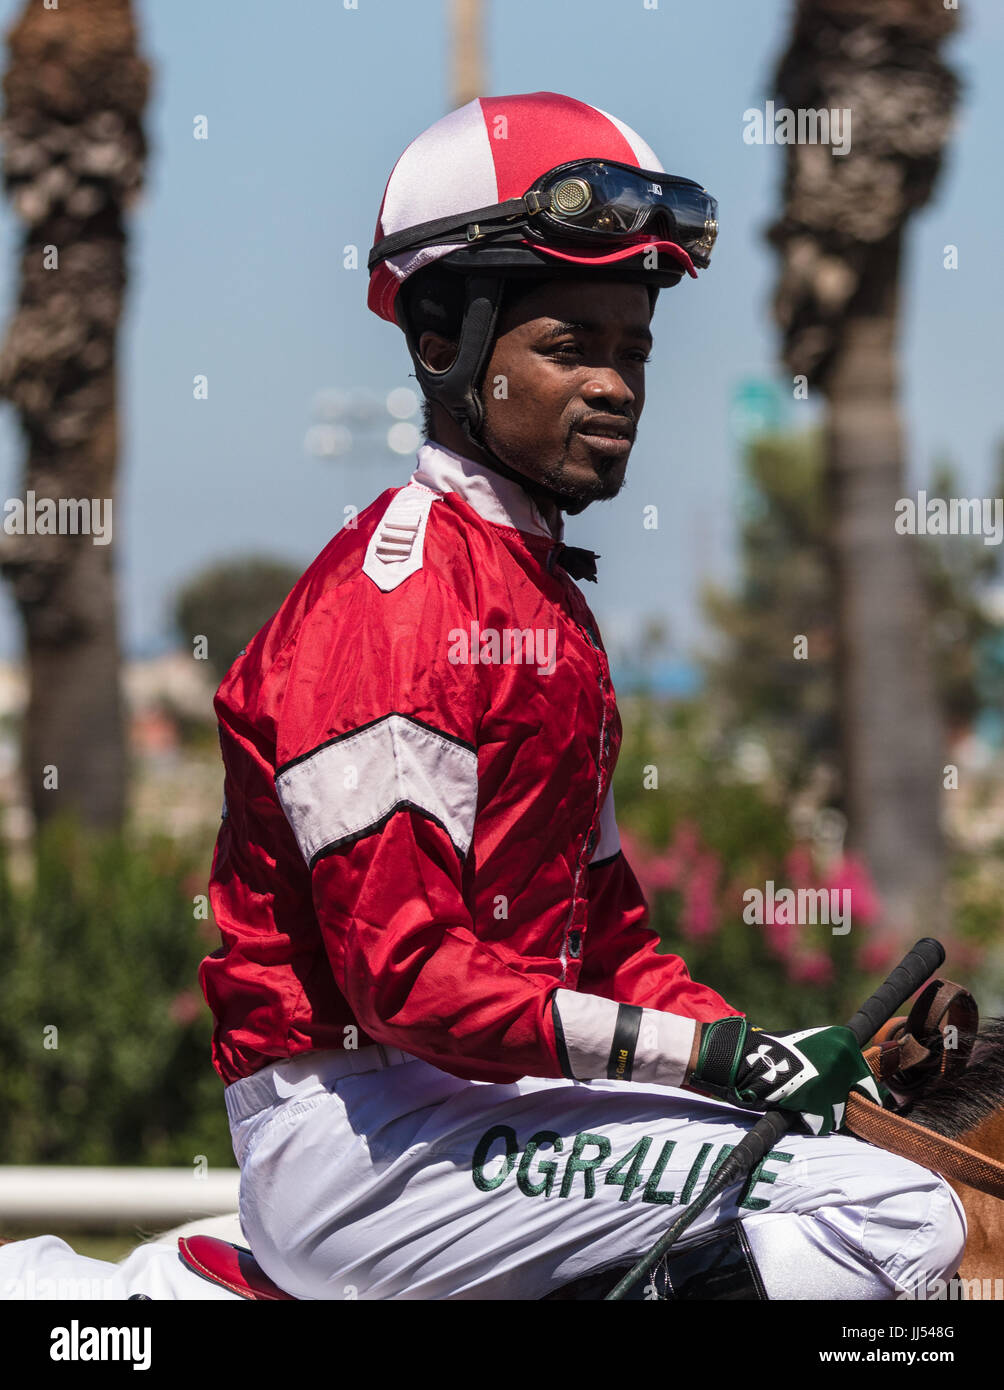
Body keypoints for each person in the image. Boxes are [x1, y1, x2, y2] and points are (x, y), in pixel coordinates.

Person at [198, 91, 966, 1301]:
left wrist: (768, 1053)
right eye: (570, 347)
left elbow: (606, 944)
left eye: (634, 348)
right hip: (361, 1139)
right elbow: (409, 982)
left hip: (486, 1111)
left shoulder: (548, 611)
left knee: (850, 1147)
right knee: (891, 1215)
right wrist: (703, 1055)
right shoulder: (387, 607)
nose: (615, 385)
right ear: (447, 340)